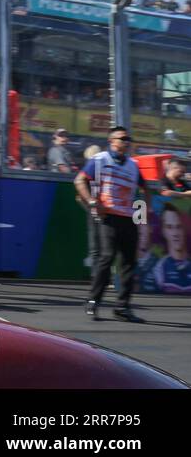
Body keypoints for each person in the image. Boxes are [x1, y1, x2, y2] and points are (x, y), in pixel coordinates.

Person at [78, 126, 152, 322]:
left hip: (128, 219)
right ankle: (93, 301)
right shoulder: (100, 159)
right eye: (122, 138)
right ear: (111, 141)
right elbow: (79, 181)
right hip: (108, 217)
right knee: (107, 257)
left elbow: (145, 189)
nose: (126, 142)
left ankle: (122, 307)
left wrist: (142, 216)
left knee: (129, 262)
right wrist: (92, 202)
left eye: (128, 139)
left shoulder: (133, 165)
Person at [151, 206, 191, 293]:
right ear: (163, 231)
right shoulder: (159, 269)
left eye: (179, 226)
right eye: (169, 227)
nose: (175, 233)